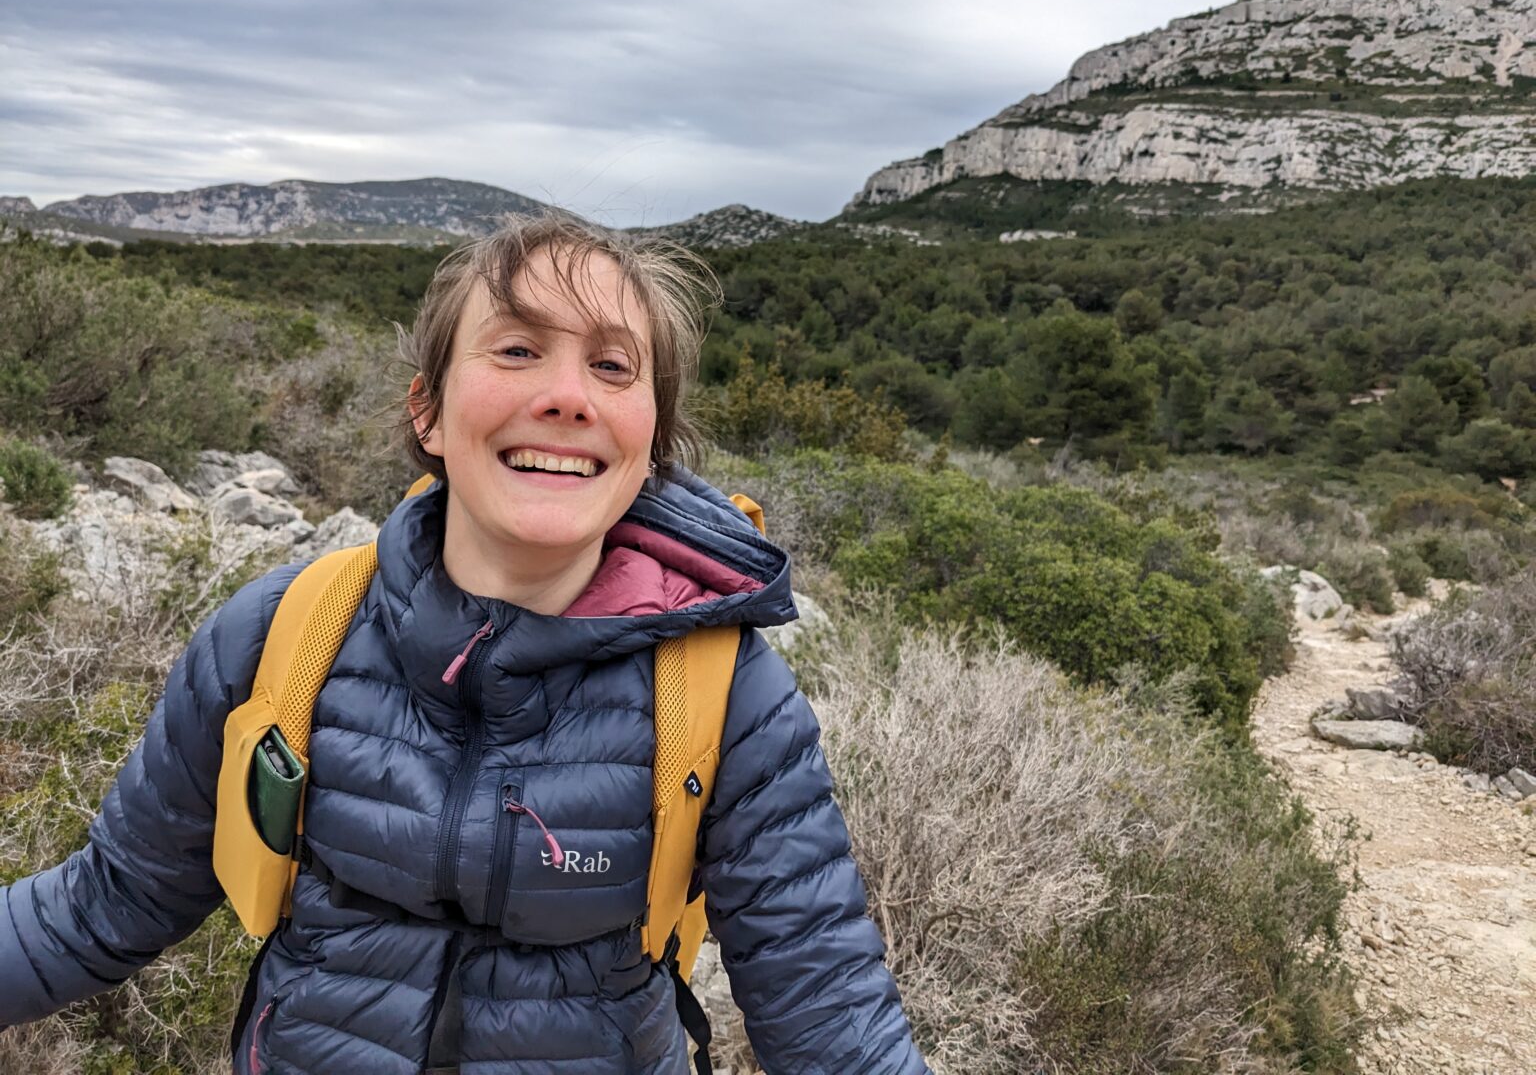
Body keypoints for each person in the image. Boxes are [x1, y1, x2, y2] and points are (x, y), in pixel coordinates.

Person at [0, 212, 931, 1074]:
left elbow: (829, 1015)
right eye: (518, 349)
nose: (568, 397)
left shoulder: (725, 692)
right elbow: (100, 909)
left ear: (651, 442)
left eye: (614, 368)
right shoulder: (285, 631)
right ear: (428, 412)